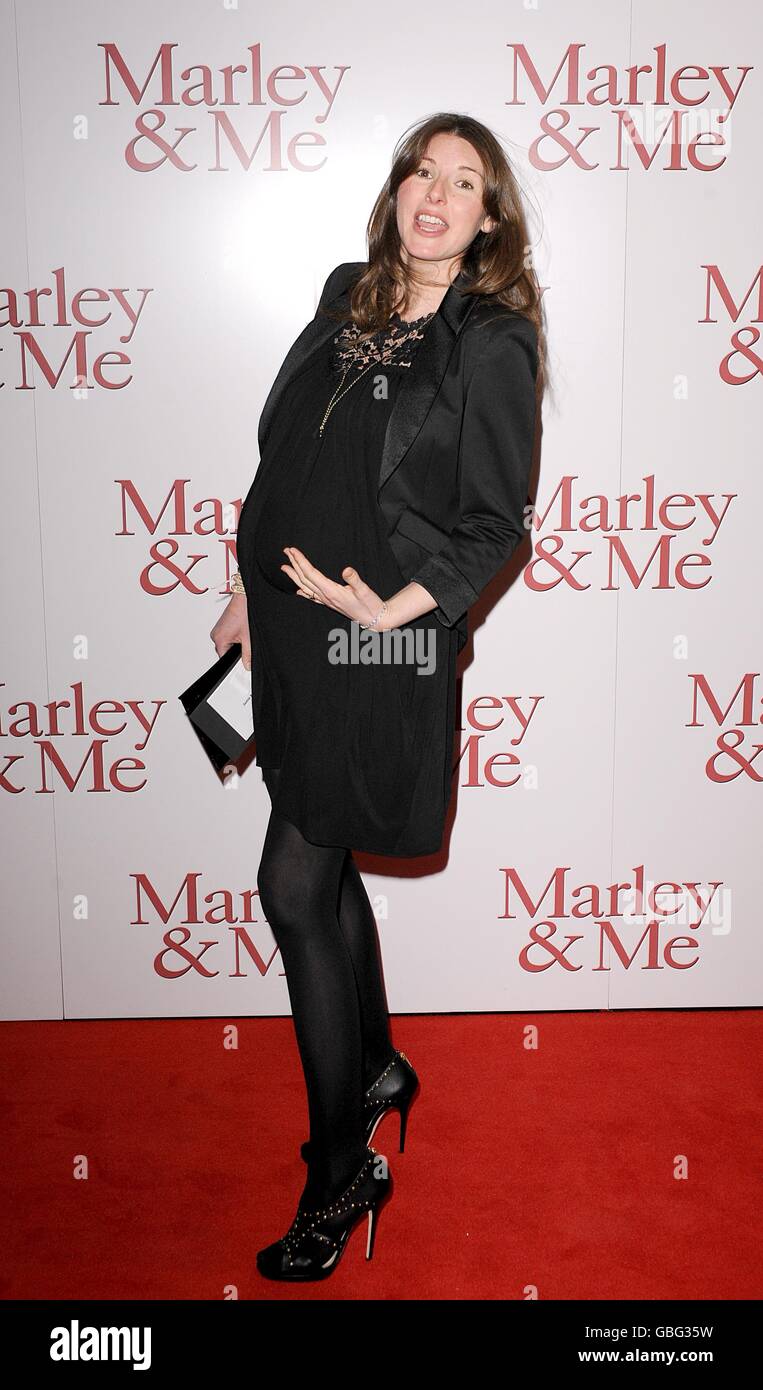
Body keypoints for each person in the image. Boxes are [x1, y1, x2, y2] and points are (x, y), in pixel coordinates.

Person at [211, 111, 545, 1282]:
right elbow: (287, 455)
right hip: (291, 624)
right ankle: (381, 1064)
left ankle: (340, 1164)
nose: (436, 195)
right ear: (397, 189)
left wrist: (400, 609)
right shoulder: (347, 287)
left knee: (292, 879)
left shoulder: (490, 340)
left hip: (374, 645)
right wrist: (250, 590)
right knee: (329, 857)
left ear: (488, 216)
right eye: (421, 171)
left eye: (464, 182)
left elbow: (496, 517)